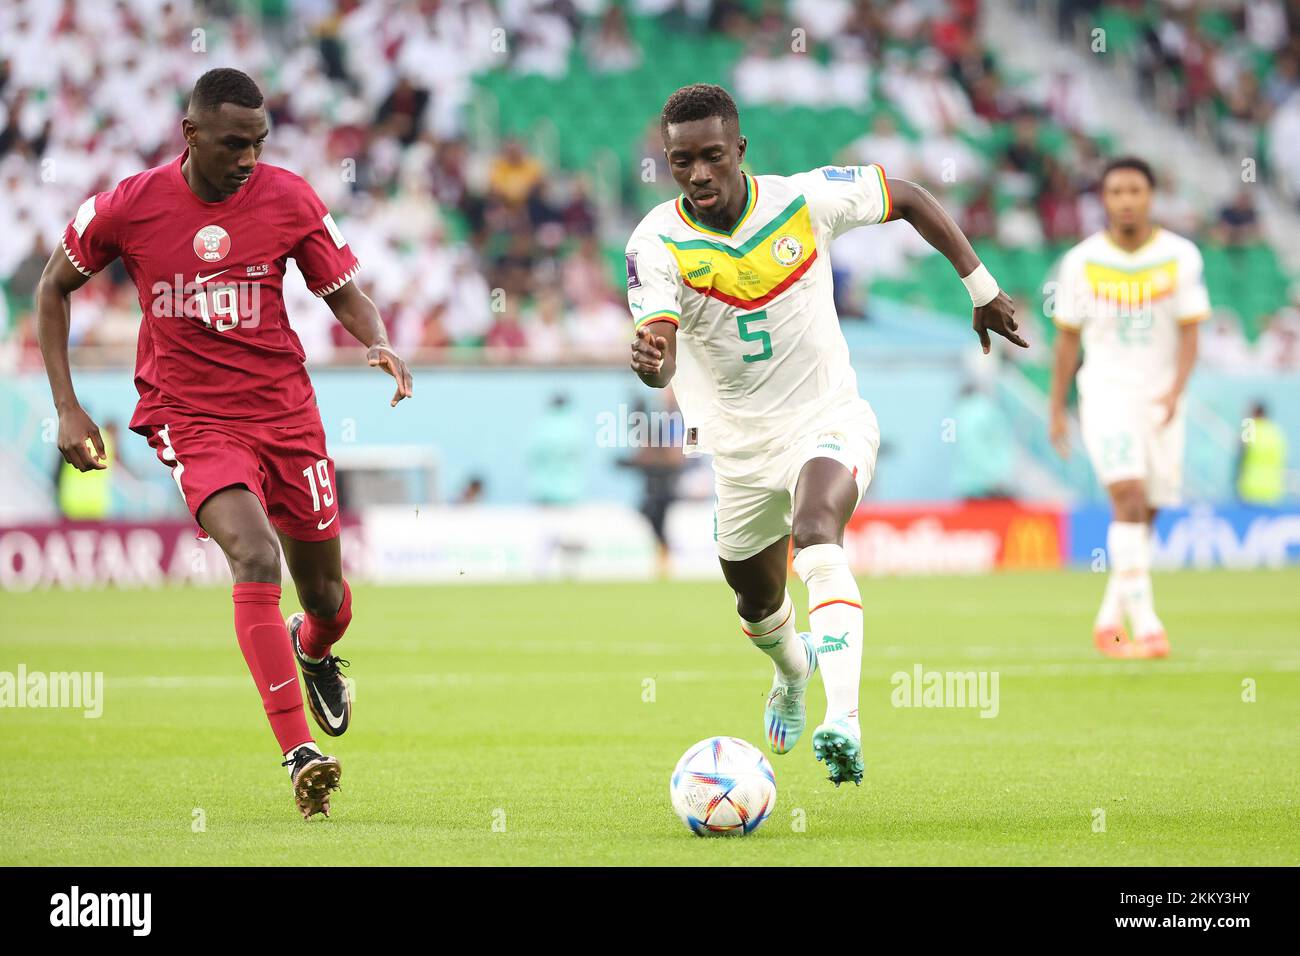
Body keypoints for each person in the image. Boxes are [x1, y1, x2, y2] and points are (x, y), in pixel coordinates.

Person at [34, 68, 413, 819]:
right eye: (234, 143)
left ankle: (313, 648)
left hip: (287, 415)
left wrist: (378, 341)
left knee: (329, 600)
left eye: (259, 142)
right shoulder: (128, 206)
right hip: (190, 415)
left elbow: (342, 291)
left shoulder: (290, 197)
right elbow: (52, 289)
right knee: (252, 553)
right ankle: (300, 752)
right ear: (191, 134)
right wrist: (68, 409)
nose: (247, 157)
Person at [626, 84, 1025, 786]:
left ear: (739, 150)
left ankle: (844, 719)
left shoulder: (804, 200)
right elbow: (657, 347)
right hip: (740, 452)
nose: (698, 174)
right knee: (754, 600)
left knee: (816, 532)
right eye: (682, 161)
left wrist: (982, 287)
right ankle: (793, 671)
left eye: (713, 157)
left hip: (828, 418)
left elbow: (908, 197)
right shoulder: (655, 241)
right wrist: (653, 360)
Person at [1049, 156, 1208, 661]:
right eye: (1115, 191)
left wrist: (1176, 391)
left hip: (1161, 401)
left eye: (1134, 190)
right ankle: (1148, 626)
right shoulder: (1081, 261)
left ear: (1150, 196)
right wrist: (1058, 407)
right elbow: (1067, 341)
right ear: (1103, 199)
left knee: (1148, 512)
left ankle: (1108, 622)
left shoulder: (1181, 257)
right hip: (1106, 393)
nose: (1125, 200)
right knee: (1129, 497)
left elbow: (1190, 333)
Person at [1236, 402, 1288, 505]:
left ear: (1255, 413)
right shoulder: (1276, 432)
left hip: (1251, 488)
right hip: (1273, 488)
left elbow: (1241, 454)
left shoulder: (1249, 430)